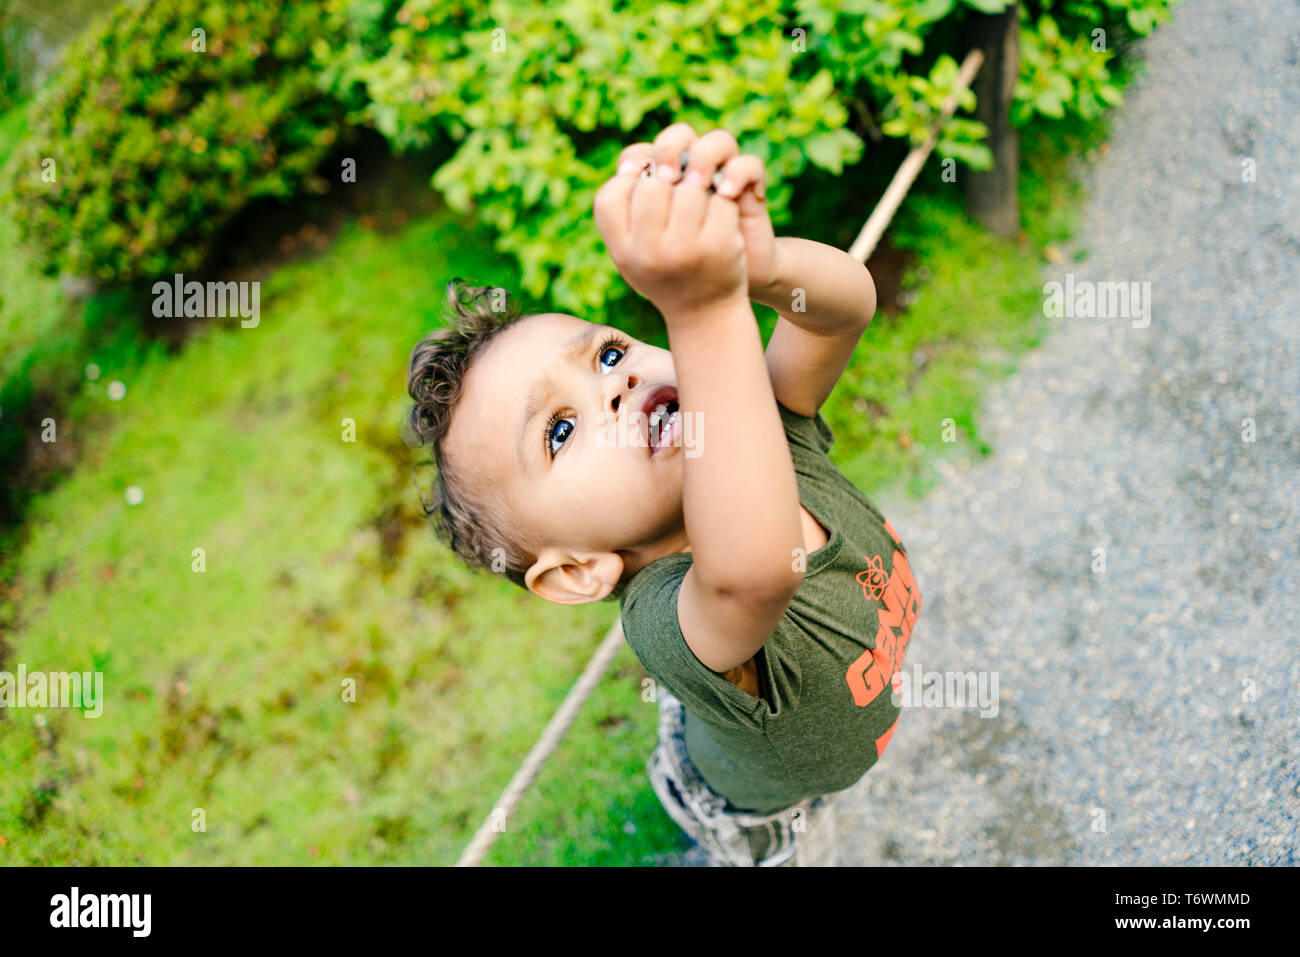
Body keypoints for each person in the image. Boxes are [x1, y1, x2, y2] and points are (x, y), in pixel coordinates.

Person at [405, 123, 921, 866]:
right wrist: (705, 312)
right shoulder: (662, 614)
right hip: (759, 808)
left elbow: (841, 311)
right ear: (579, 569)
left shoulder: (763, 428)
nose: (614, 383)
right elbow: (755, 572)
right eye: (558, 430)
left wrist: (757, 266)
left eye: (608, 352)